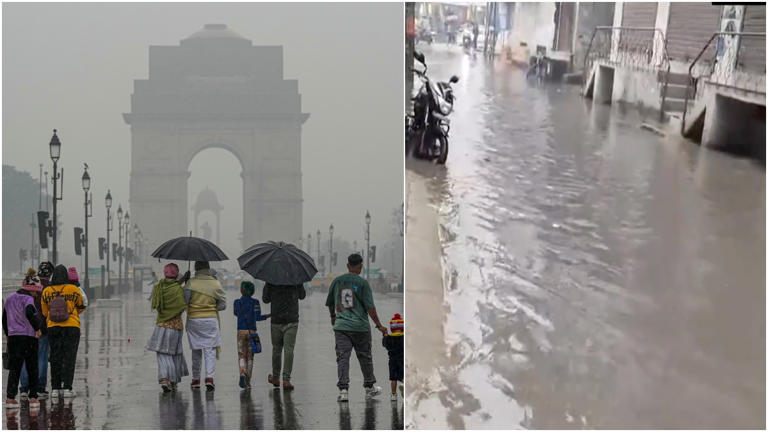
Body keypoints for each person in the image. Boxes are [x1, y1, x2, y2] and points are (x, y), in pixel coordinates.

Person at [325, 253, 387, 402]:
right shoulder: (363, 283)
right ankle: (369, 387)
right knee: (365, 357)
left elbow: (330, 303)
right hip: (360, 327)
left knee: (343, 358)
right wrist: (379, 325)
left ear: (348, 265)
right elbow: (370, 307)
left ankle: (343, 390)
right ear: (361, 267)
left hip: (341, 327)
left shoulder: (337, 281)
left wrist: (333, 316)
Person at [41, 265, 85, 400]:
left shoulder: (47, 291)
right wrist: (71, 313)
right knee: (69, 358)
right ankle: (67, 388)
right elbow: (81, 305)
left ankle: (55, 388)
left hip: (53, 327)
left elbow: (45, 312)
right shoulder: (73, 289)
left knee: (55, 357)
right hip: (71, 326)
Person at [147, 263, 190, 393]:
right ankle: (173, 380)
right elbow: (183, 304)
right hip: (176, 327)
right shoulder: (179, 290)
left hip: (161, 325)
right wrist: (186, 282)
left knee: (162, 353)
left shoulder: (159, 286)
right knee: (174, 353)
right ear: (176, 275)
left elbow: (158, 301)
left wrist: (183, 280)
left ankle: (165, 378)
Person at [184, 261, 226, 391]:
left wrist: (186, 283)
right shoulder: (215, 283)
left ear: (196, 268)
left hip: (194, 320)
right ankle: (209, 378)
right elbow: (223, 305)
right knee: (210, 350)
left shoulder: (191, 283)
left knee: (196, 350)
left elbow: (185, 301)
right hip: (211, 320)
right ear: (208, 268)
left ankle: (196, 379)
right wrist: (211, 307)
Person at [3, 274, 43, 409]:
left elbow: (4, 319)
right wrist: (37, 329)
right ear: (31, 289)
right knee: (32, 367)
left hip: (14, 338)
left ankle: (10, 398)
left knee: (15, 368)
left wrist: (8, 334)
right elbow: (30, 313)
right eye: (36, 292)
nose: (36, 295)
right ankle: (33, 397)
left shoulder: (9, 298)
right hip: (28, 337)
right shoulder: (28, 299)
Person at [263, 280, 306, 391]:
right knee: (289, 350)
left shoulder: (271, 278)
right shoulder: (296, 277)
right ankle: (286, 380)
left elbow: (265, 299)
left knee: (276, 350)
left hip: (276, 320)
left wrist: (268, 285)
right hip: (291, 319)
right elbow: (302, 296)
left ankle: (276, 378)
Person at [19, 267, 50, 400]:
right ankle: (40, 388)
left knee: (24, 358)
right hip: (41, 328)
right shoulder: (43, 292)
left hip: (24, 330)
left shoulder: (19, 295)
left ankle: (24, 388)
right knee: (41, 357)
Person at [233, 281, 270, 389]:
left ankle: (242, 373)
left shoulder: (237, 302)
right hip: (252, 332)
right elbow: (258, 317)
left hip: (241, 331)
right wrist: (268, 316)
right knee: (250, 357)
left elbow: (236, 313)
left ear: (242, 290)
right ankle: (248, 381)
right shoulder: (255, 302)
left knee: (241, 355)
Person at [382, 313, 404, 401]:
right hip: (402, 360)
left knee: (393, 379)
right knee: (403, 376)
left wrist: (385, 336)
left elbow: (385, 345)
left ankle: (393, 395)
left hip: (392, 361)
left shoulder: (389, 338)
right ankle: (404, 386)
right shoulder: (404, 337)